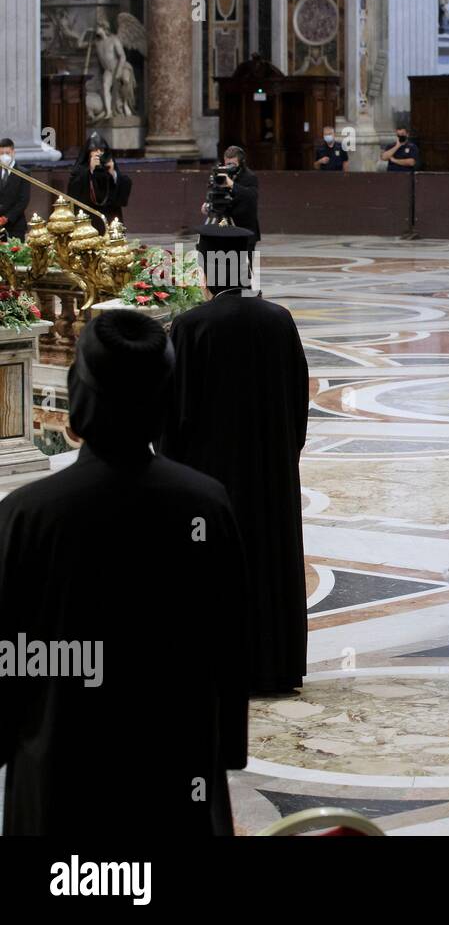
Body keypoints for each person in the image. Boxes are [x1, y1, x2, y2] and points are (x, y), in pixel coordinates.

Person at [0, 311, 249, 835]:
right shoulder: (205, 504)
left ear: (79, 400)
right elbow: (230, 645)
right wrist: (222, 748)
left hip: (59, 778)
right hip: (173, 777)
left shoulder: (27, 514)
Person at [159, 225, 310, 695]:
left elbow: (175, 413)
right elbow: (299, 401)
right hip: (271, 471)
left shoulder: (191, 327)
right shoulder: (278, 320)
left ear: (207, 269)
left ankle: (219, 662)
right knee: (271, 556)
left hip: (210, 476)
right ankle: (276, 664)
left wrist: (173, 469)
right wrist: (283, 453)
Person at [67, 132, 132, 234]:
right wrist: (90, 171)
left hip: (109, 214)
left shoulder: (110, 167)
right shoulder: (80, 170)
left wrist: (113, 174)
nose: (98, 153)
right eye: (94, 150)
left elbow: (125, 184)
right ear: (88, 153)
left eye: (101, 150)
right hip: (88, 216)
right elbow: (73, 191)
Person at [203, 145, 260, 243]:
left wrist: (232, 184)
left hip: (244, 226)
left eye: (233, 164)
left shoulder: (250, 177)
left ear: (241, 163)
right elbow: (214, 189)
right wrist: (208, 203)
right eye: (227, 163)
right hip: (224, 220)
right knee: (221, 251)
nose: (229, 167)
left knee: (244, 257)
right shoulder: (221, 173)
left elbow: (251, 196)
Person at [0, 138, 31, 240]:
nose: (4, 156)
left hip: (15, 225)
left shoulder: (23, 173)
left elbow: (23, 200)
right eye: (1, 153)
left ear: (13, 152)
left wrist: (7, 218)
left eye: (7, 153)